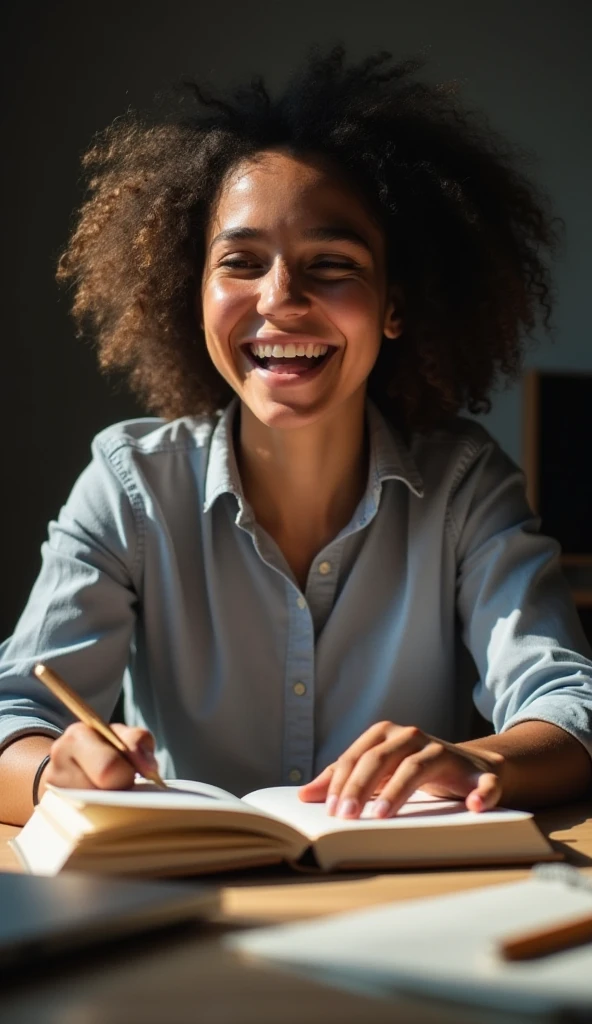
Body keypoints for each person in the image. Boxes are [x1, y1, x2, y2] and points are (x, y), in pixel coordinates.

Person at [1, 48, 591, 829]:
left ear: (395, 306)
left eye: (332, 264)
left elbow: (571, 705)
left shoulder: (465, 485)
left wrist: (480, 759)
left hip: (400, 907)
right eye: (241, 261)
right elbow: (13, 714)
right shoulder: (128, 482)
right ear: (195, 295)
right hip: (193, 914)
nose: (280, 300)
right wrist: (51, 771)